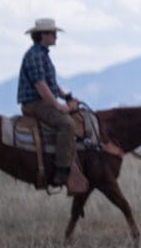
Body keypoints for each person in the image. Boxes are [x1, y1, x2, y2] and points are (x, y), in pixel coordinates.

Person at [17, 18, 88, 195]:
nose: (56, 36)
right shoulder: (34, 56)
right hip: (34, 103)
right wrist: (59, 105)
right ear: (42, 35)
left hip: (42, 101)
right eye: (52, 33)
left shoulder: (42, 54)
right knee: (67, 124)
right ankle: (62, 170)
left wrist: (66, 96)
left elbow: (51, 84)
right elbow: (41, 85)